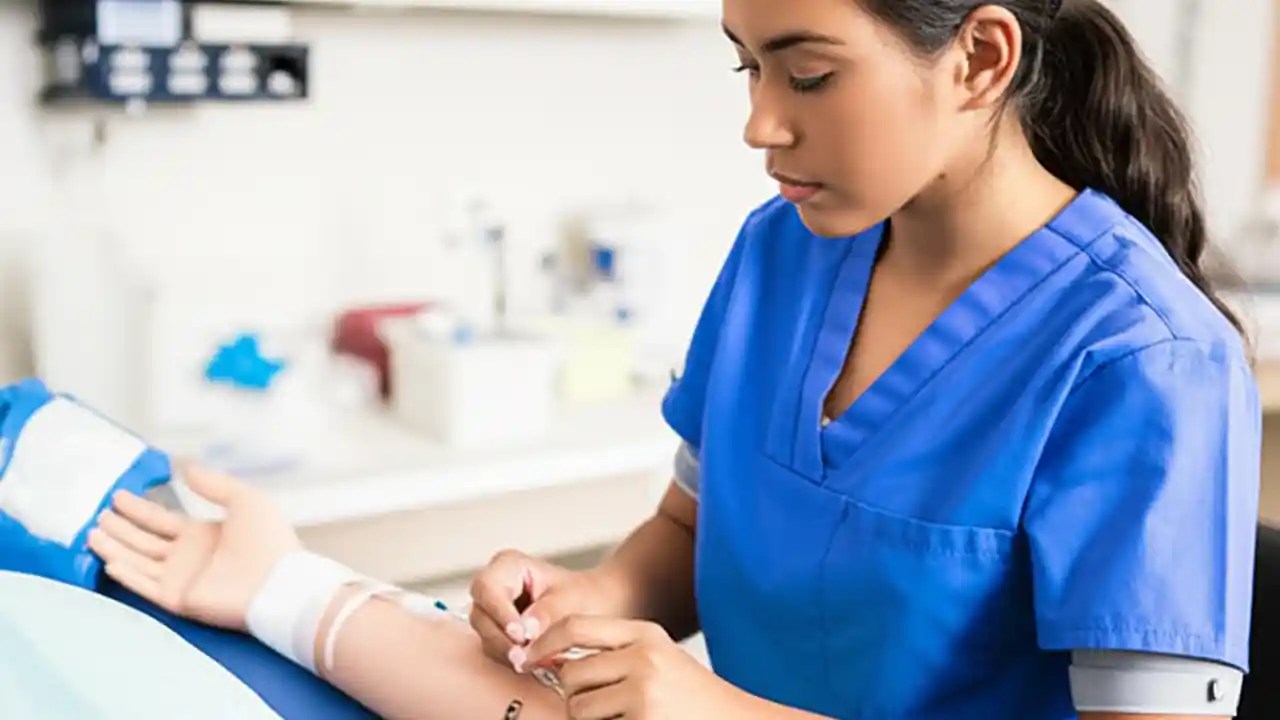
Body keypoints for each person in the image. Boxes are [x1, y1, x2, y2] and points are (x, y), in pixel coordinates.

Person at [89, 0, 1261, 718]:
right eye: (742, 66)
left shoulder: (1145, 362)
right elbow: (694, 534)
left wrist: (716, 711)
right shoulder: (783, 252)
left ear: (978, 58)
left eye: (806, 74)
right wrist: (588, 597)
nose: (759, 123)